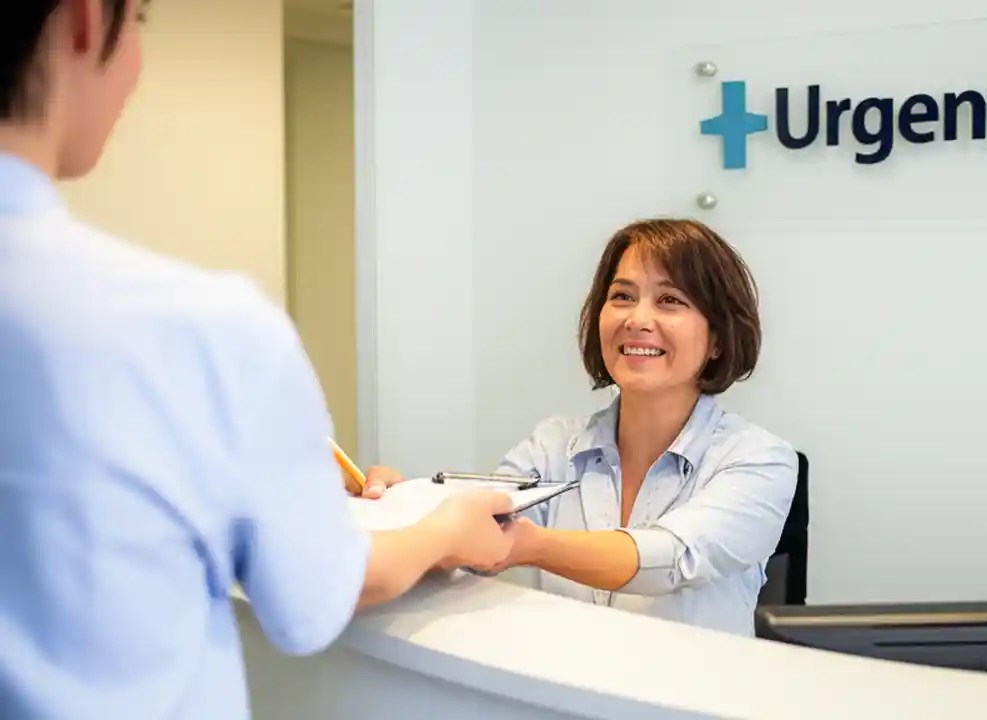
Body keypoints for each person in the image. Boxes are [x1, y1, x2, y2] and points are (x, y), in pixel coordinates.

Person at [0, 2, 514, 718]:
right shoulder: (197, 326)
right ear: (87, 21)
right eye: (141, 18)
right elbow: (310, 602)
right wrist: (444, 530)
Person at [370, 218, 798, 636]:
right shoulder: (552, 445)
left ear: (718, 338)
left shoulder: (761, 460)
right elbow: (477, 534)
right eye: (622, 296)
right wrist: (396, 502)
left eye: (670, 300)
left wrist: (529, 545)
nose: (637, 319)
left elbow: (673, 557)